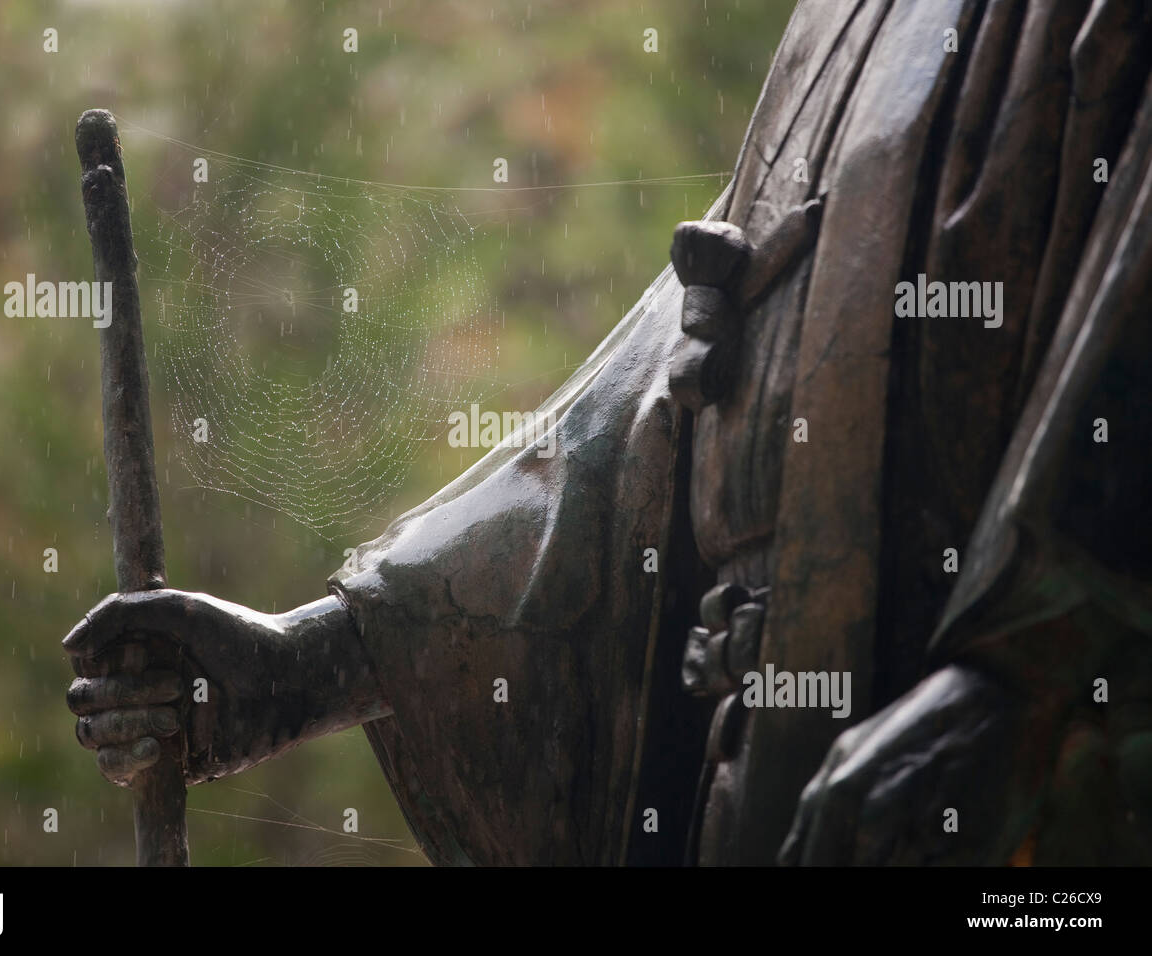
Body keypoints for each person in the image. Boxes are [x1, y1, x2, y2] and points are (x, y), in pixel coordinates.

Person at [64, 0, 1152, 865]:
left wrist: (1025, 678)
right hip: (767, 773)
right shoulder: (845, 20)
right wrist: (314, 663)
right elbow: (645, 410)